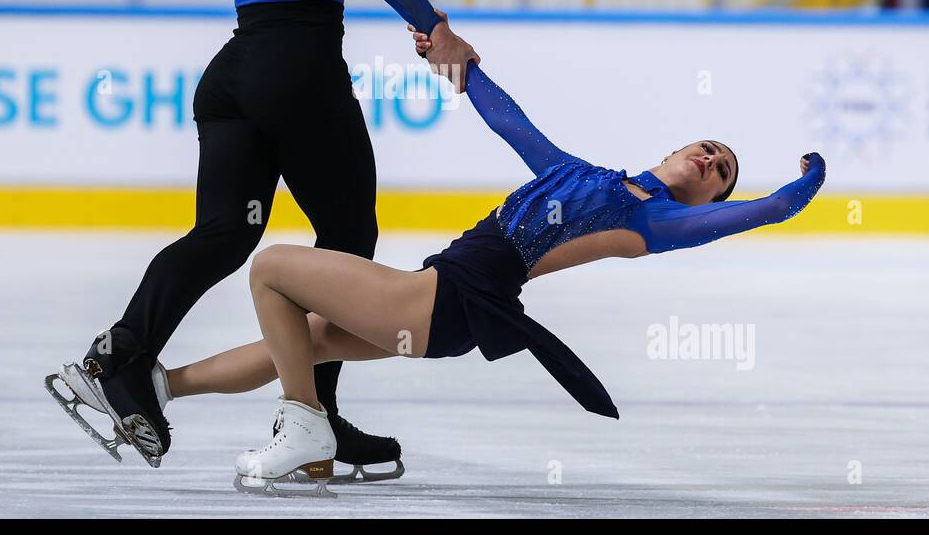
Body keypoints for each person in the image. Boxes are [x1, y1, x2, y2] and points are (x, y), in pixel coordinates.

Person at [16, 0, 478, 478]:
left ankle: (119, 358)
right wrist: (436, 29)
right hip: (298, 66)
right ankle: (314, 424)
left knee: (223, 235)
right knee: (347, 244)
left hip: (234, 75)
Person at [154, 31, 826, 496]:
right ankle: (160, 389)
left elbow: (763, 212)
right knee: (308, 341)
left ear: (708, 195)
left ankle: (305, 428)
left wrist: (800, 188)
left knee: (273, 269)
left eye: (722, 171)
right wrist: (460, 68)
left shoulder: (658, 221)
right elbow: (511, 123)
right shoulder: (586, 175)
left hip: (446, 299)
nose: (711, 159)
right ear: (684, 143)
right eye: (710, 147)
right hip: (443, 302)